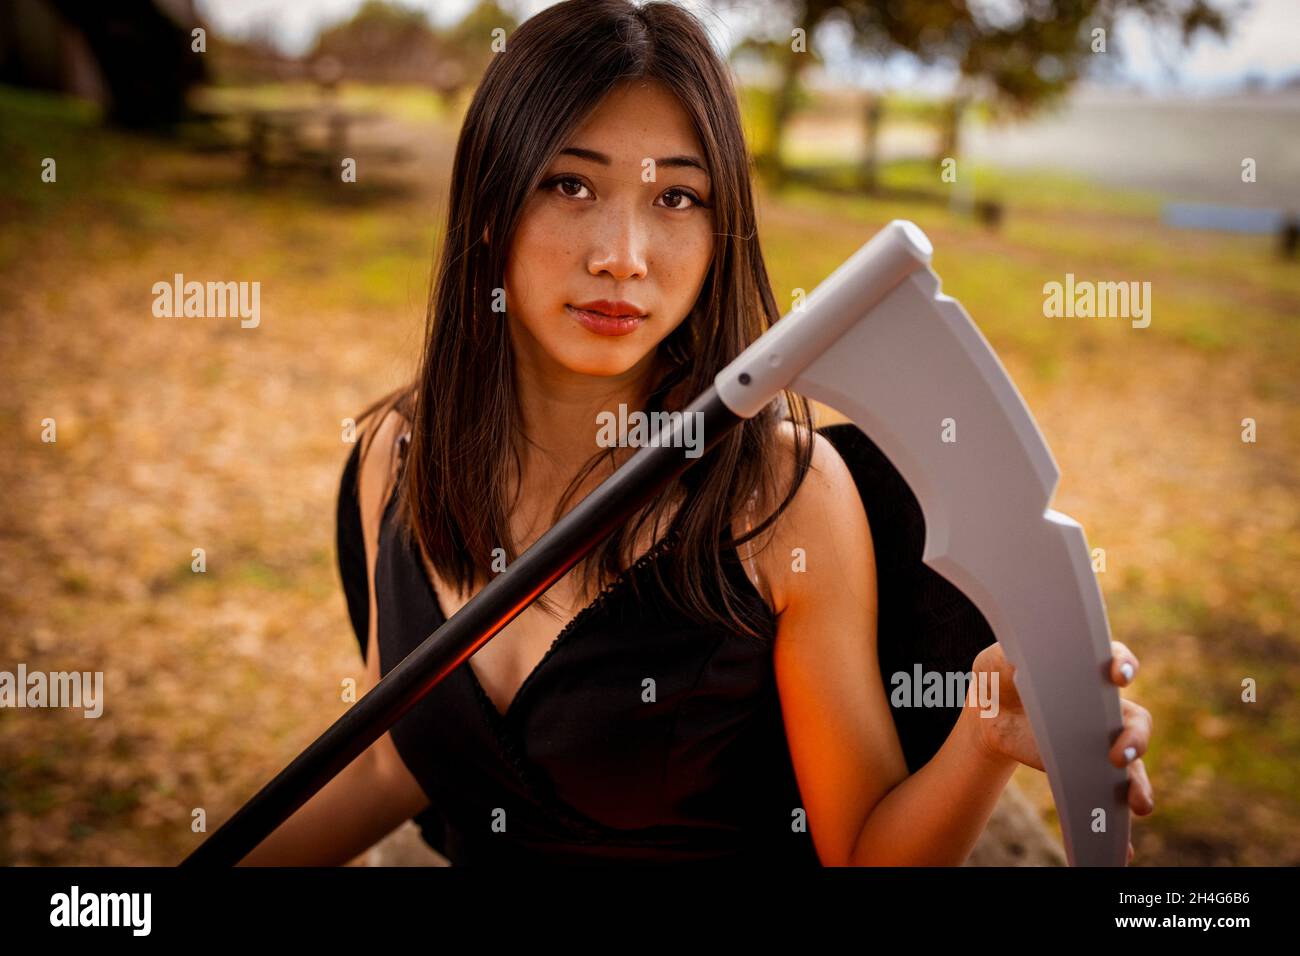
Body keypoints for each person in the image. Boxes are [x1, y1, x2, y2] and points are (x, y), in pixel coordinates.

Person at [240, 0, 1154, 867]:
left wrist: (983, 740)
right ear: (488, 209)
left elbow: (865, 852)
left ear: (722, 233)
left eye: (676, 199)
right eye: (570, 184)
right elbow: (387, 760)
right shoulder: (397, 455)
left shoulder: (783, 500)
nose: (623, 256)